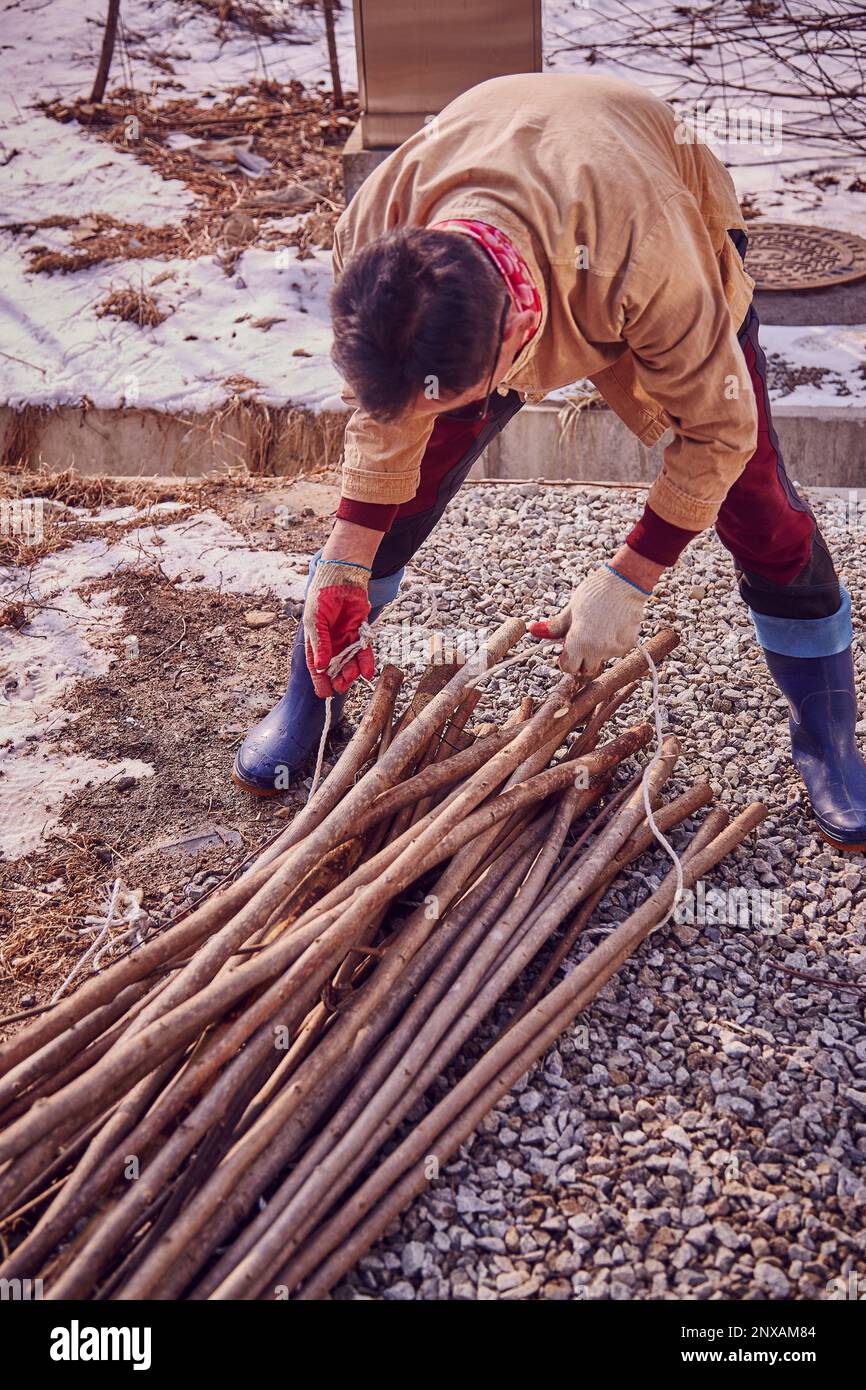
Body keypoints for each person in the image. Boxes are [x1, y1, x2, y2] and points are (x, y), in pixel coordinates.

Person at [233, 73, 865, 852]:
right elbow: (386, 416)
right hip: (515, 174)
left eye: (450, 396)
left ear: (509, 347)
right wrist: (345, 559)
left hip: (642, 185)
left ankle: (829, 737)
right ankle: (311, 697)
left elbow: (720, 429)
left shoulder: (650, 253)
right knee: (406, 481)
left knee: (760, 504)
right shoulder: (380, 230)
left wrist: (630, 577)